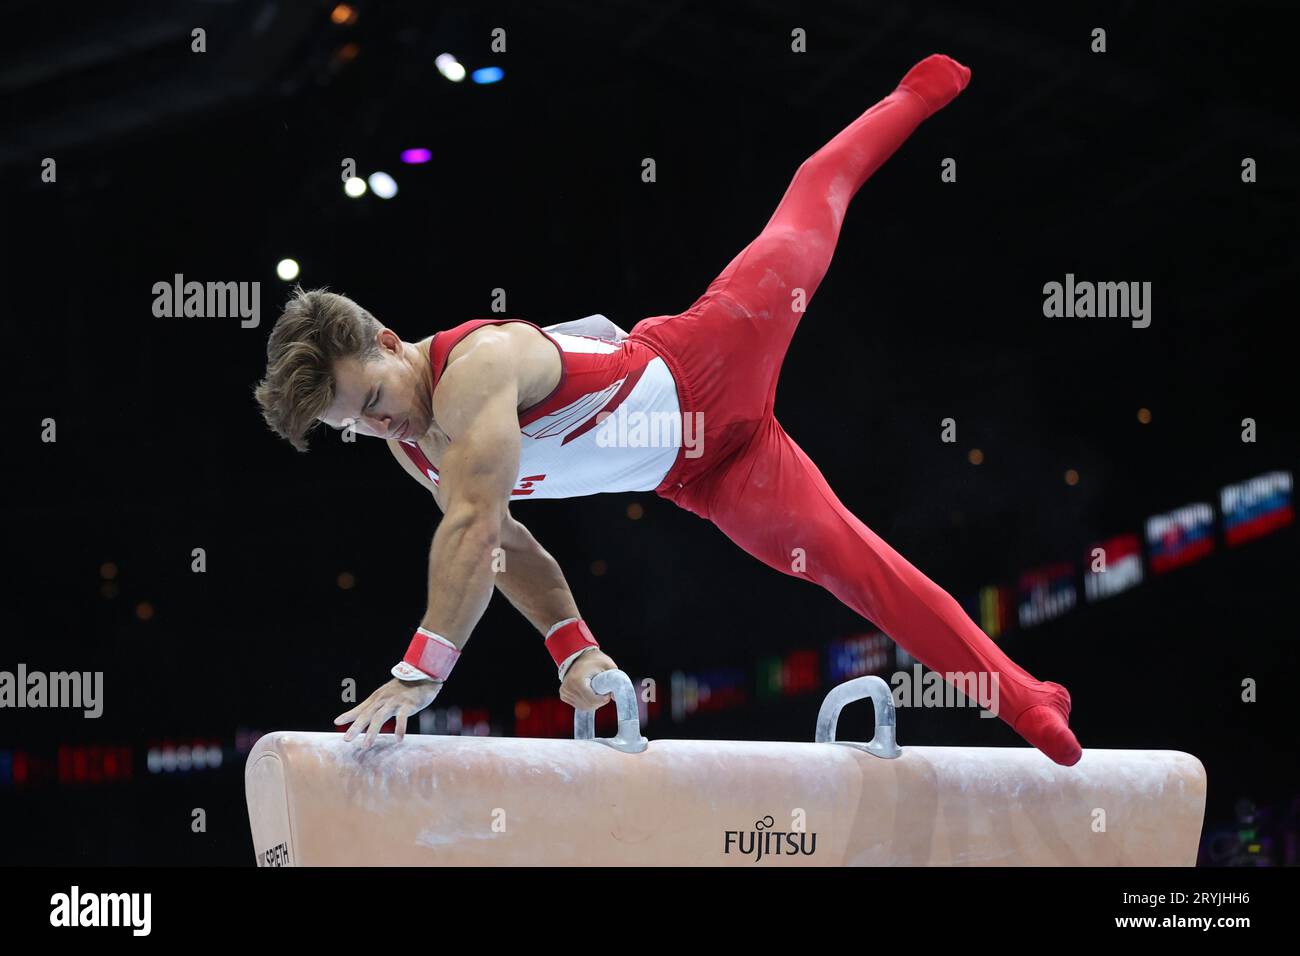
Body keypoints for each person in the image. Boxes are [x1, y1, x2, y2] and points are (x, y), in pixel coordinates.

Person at [253, 54, 1081, 766]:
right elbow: (508, 549)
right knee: (856, 569)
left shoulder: (476, 368)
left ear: (390, 342)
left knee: (811, 208)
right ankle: (1025, 697)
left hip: (709, 358)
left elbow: (471, 527)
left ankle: (911, 95)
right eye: (350, 427)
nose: (376, 425)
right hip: (711, 474)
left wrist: (420, 669)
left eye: (370, 398)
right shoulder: (412, 449)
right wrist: (573, 649)